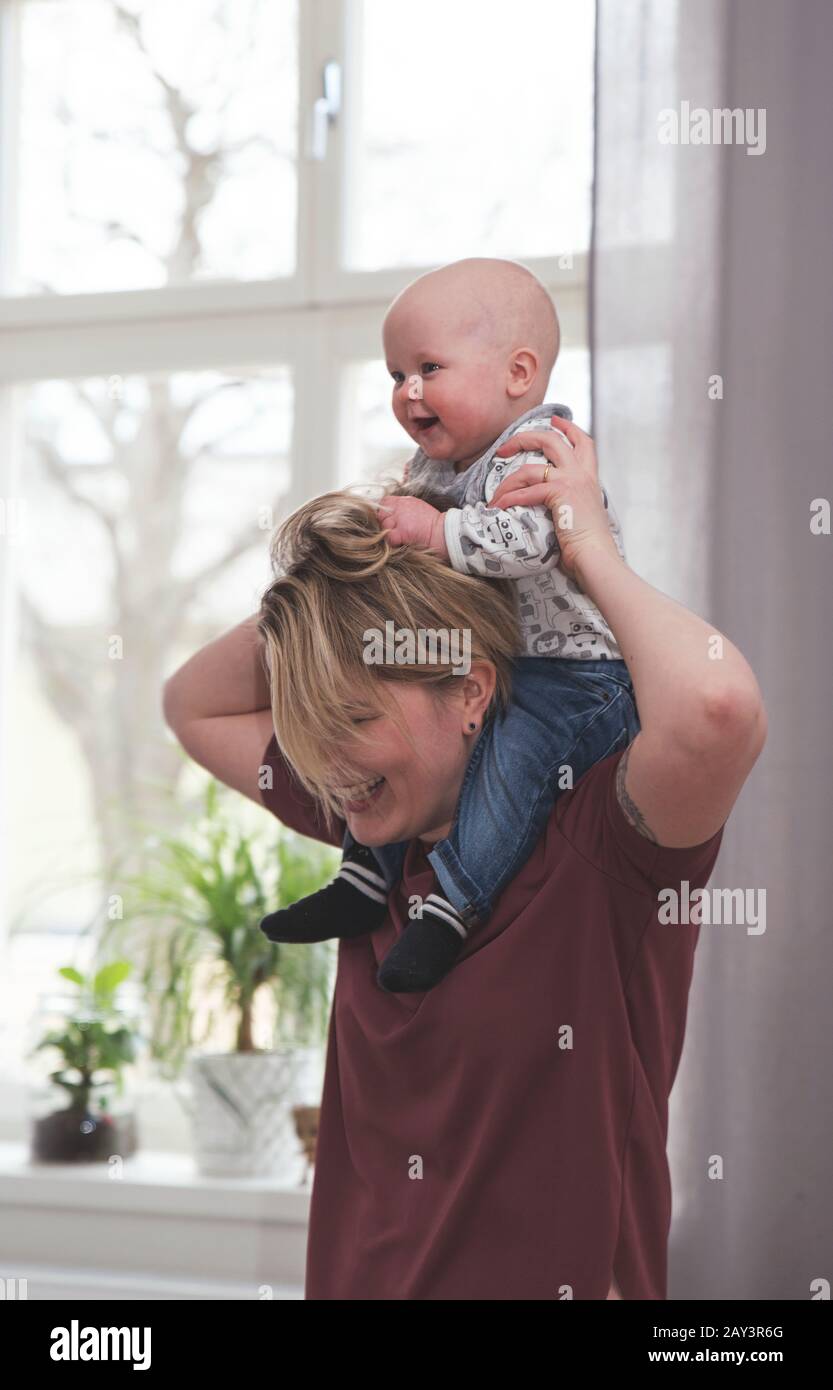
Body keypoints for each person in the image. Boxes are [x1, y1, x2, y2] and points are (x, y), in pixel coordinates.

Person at [162, 419, 767, 1300]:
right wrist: (340, 582)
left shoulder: (599, 835)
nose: (325, 766)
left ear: (470, 691)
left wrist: (583, 544)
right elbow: (192, 705)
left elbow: (716, 704)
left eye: (357, 719)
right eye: (310, 726)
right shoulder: (366, 825)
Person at [259, 257, 639, 995]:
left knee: (513, 765)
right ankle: (364, 877)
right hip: (502, 652)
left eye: (428, 368)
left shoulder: (539, 452)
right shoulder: (438, 464)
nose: (408, 393)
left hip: (577, 673)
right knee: (382, 759)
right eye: (395, 375)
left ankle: (452, 906)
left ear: (518, 373)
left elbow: (532, 543)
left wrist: (435, 534)